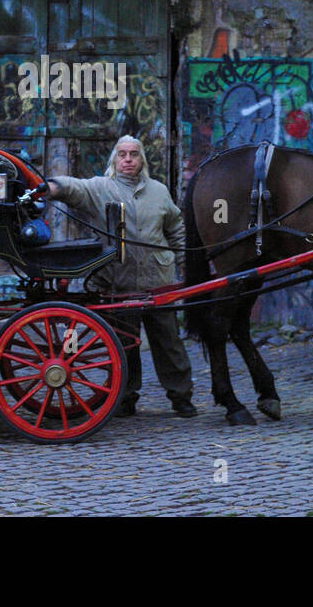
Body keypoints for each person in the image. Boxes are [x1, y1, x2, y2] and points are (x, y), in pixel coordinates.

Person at [45, 135, 198, 417]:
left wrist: (183, 262)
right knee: (124, 344)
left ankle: (180, 396)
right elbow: (73, 188)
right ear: (114, 159)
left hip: (158, 282)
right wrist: (49, 187)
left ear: (142, 160)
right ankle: (126, 396)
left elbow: (176, 229)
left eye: (134, 154)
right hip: (118, 283)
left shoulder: (159, 191)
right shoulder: (100, 188)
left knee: (169, 343)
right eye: (122, 154)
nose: (128, 160)